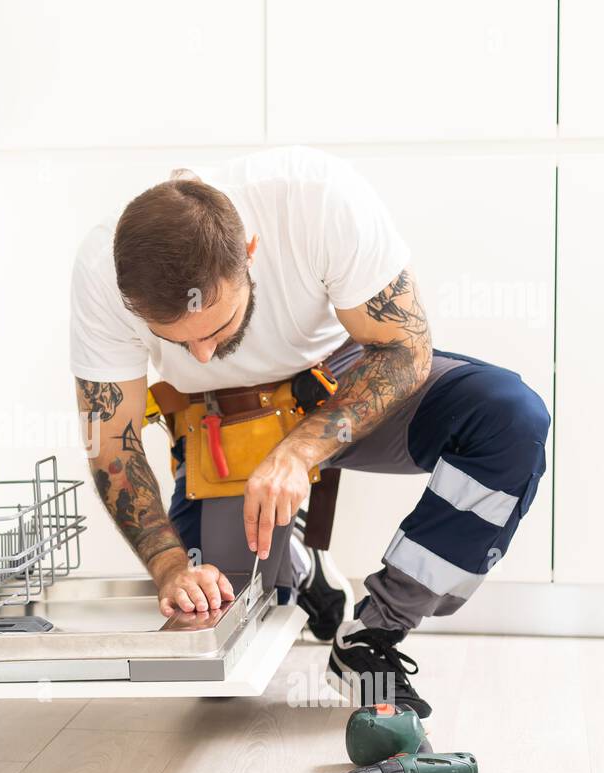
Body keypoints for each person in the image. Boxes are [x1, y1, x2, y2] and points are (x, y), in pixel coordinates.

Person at [71, 147, 549, 716]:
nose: (200, 354)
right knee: (213, 657)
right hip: (223, 426)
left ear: (249, 254)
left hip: (344, 383)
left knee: (510, 420)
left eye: (215, 328)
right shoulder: (103, 274)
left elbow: (403, 350)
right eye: (177, 341)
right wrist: (172, 568)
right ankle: (299, 566)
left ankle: (373, 636)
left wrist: (299, 451)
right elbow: (113, 449)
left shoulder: (318, 201)